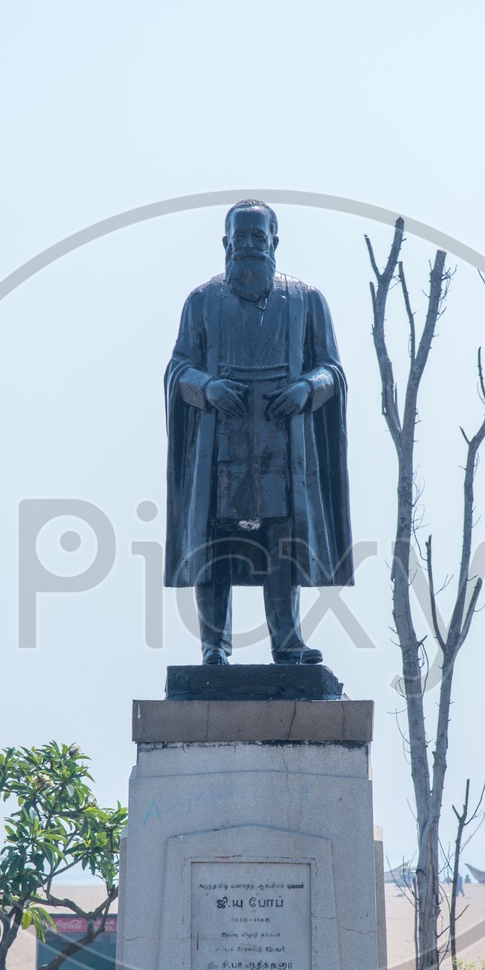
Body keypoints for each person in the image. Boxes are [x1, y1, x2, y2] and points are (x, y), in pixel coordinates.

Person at [164, 199, 353, 665]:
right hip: (221, 445)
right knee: (215, 543)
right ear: (226, 242)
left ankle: (287, 644)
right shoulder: (201, 301)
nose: (249, 245)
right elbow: (178, 368)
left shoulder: (306, 301)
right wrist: (206, 387)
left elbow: (332, 369)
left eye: (258, 236)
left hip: (281, 446)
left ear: (274, 241)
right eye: (240, 237)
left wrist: (307, 388)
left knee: (282, 542)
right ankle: (213, 646)